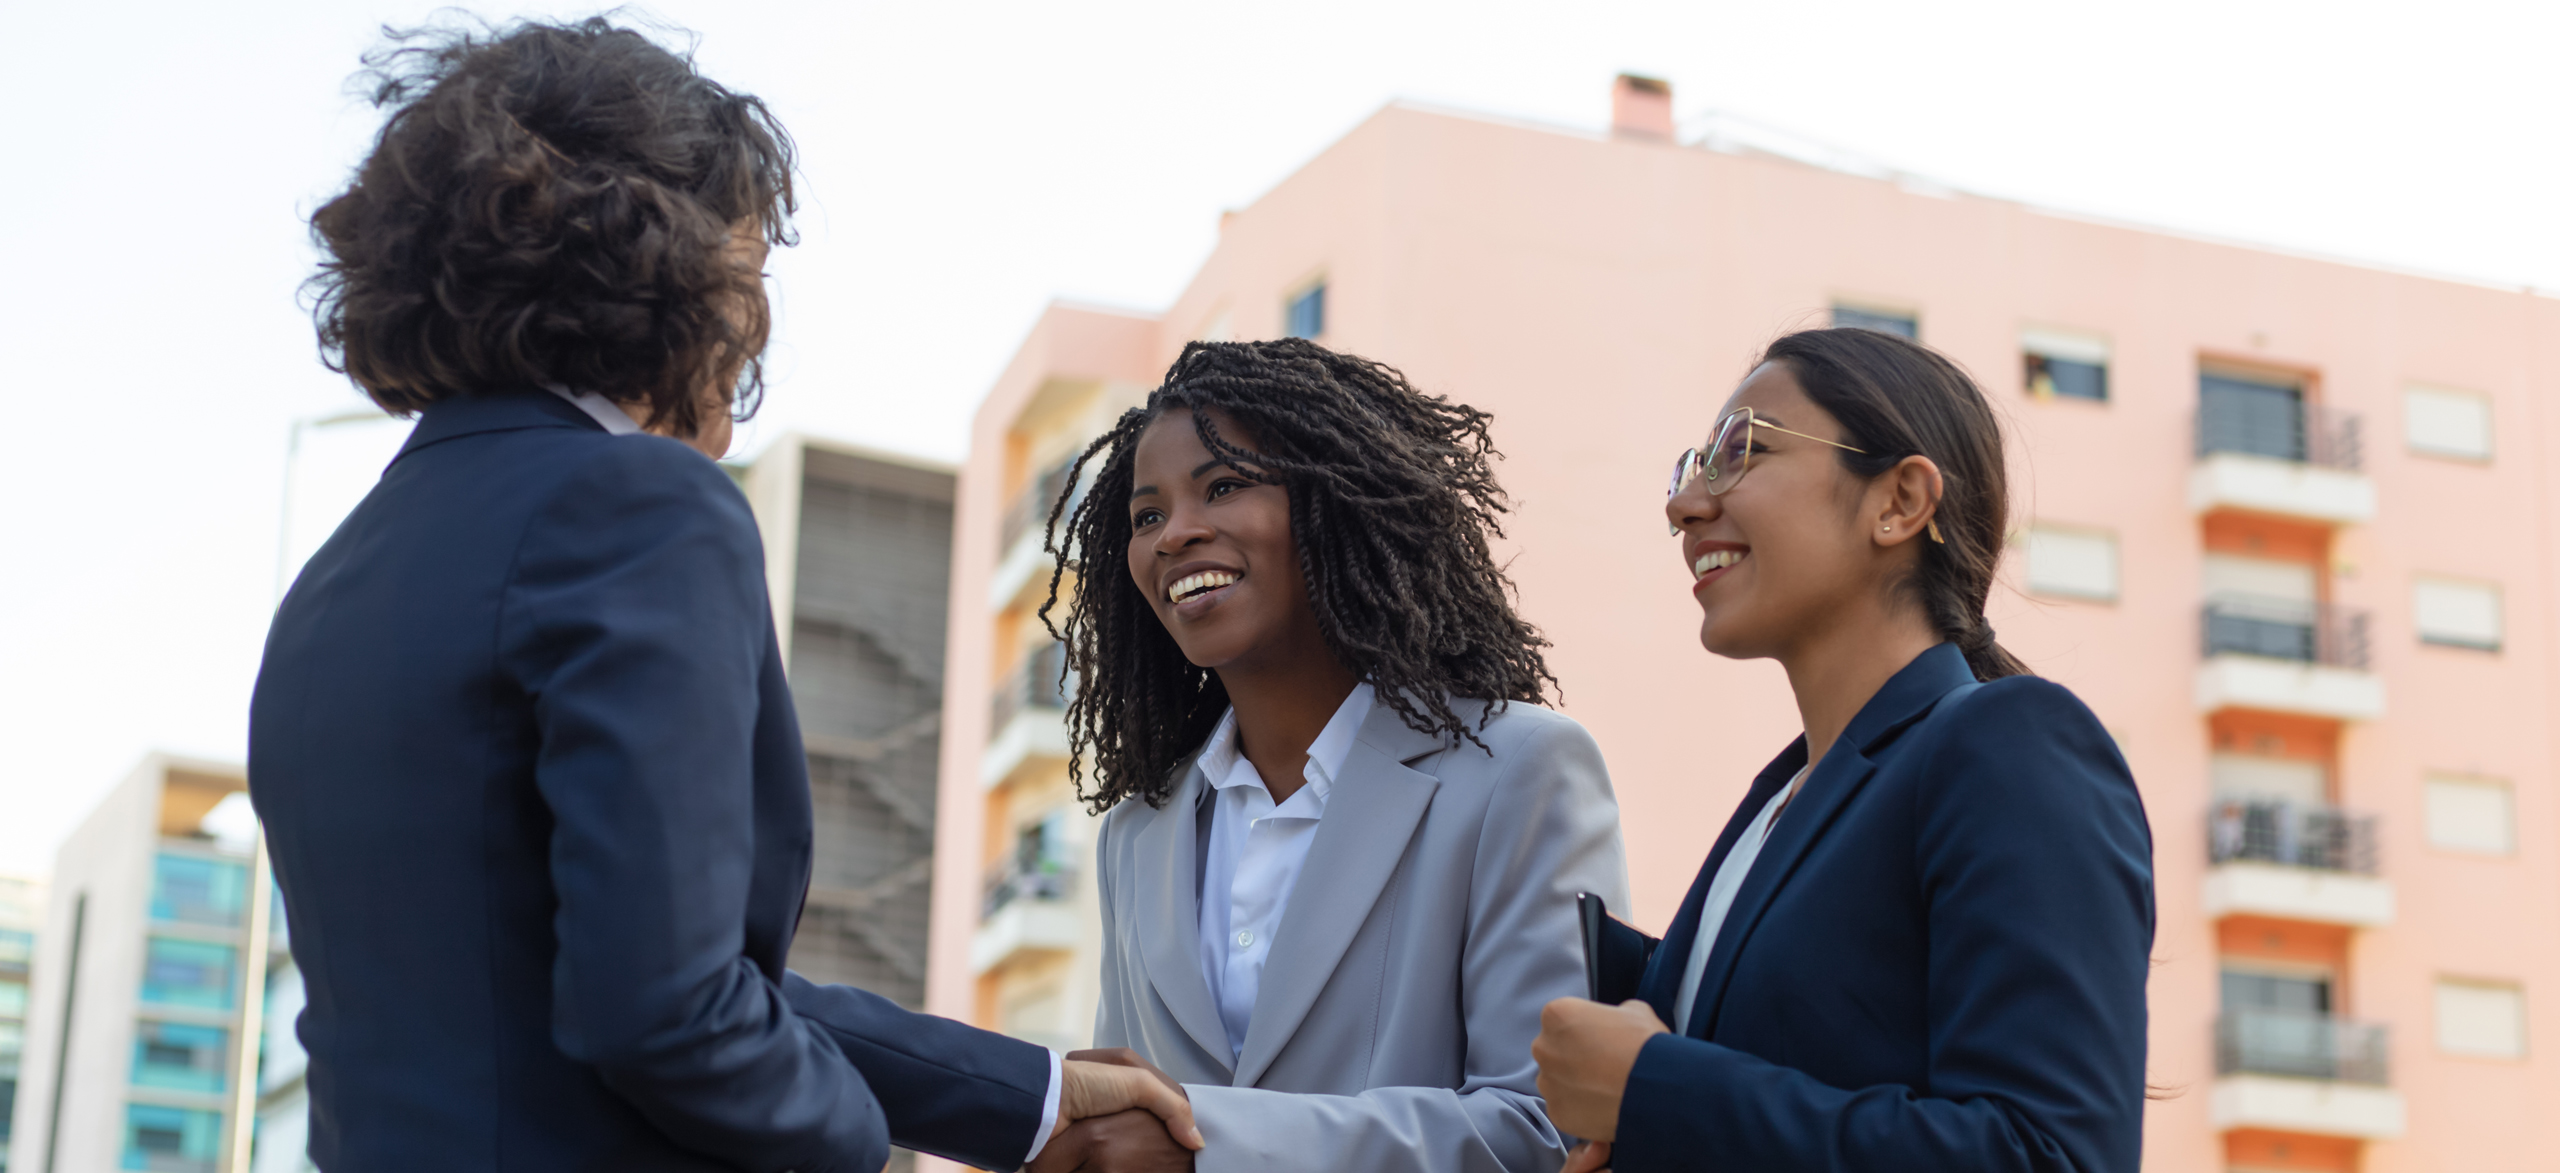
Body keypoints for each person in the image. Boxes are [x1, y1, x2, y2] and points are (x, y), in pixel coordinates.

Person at [250, 19, 1193, 1172]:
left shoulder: (342, 572)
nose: (757, 323)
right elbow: (665, 1010)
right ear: (670, 269)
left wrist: (1032, 1095)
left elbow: (611, 968)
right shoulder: (639, 504)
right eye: (751, 270)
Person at [1530, 327, 2155, 1173]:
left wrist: (1655, 1087)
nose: (1686, 506)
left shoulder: (2010, 746)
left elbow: (2047, 1156)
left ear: (1900, 500)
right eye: (1692, 466)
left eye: (1742, 449)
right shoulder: (1773, 808)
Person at [1025, 339, 1630, 1173]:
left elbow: (1550, 1128)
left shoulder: (1517, 771)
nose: (1176, 536)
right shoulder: (1137, 838)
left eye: (1225, 486)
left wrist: (1206, 1145)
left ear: (1334, 505)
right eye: (1147, 515)